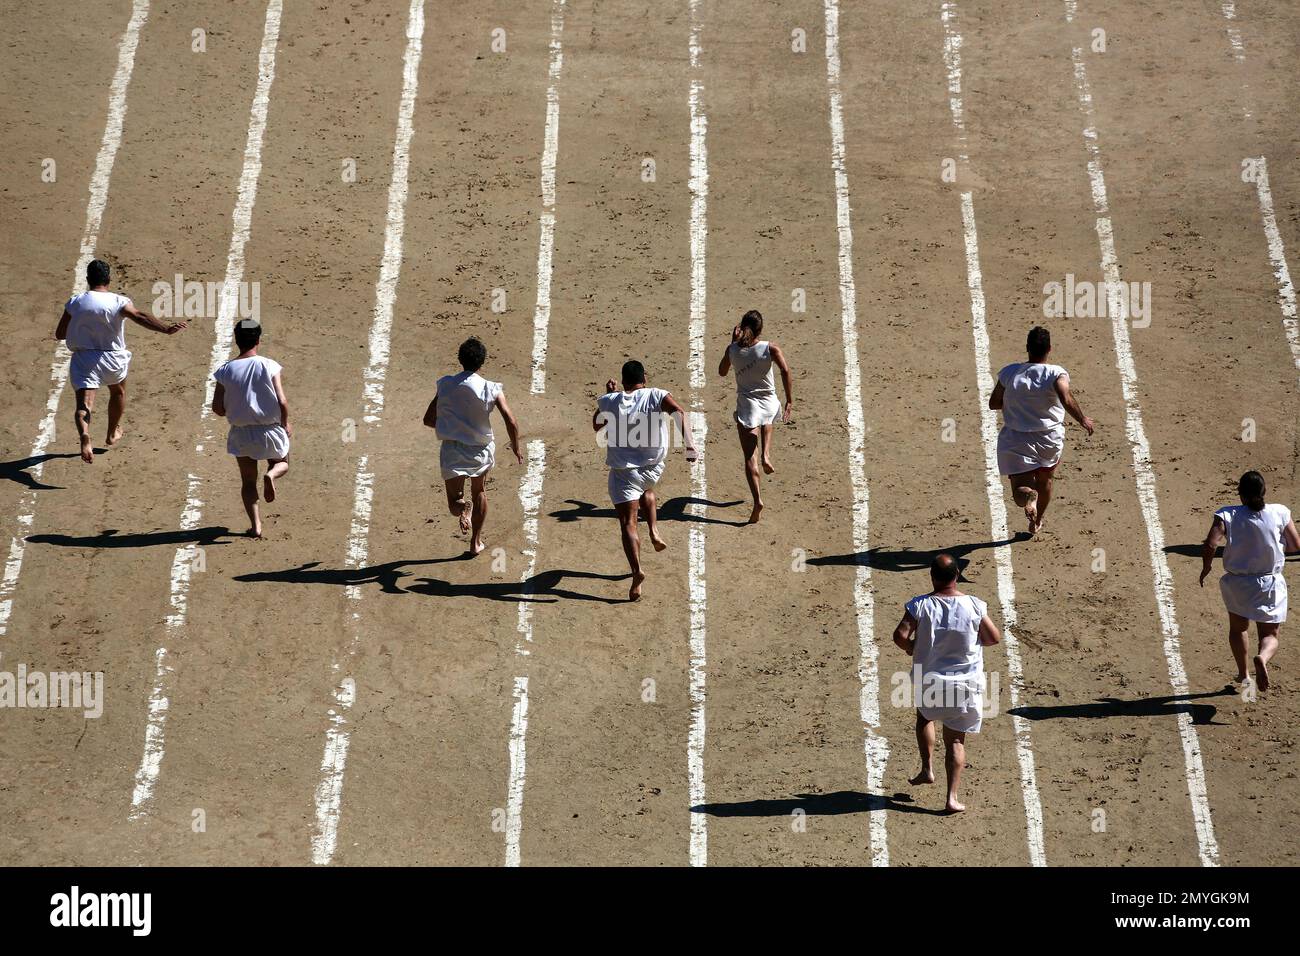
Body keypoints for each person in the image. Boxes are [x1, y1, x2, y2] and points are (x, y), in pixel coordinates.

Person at [892, 553, 1001, 813]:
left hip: (931, 681)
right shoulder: (974, 605)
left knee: (924, 718)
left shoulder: (920, 605)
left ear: (932, 577)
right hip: (966, 684)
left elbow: (900, 635)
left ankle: (927, 769)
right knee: (955, 741)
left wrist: (911, 649)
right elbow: (993, 638)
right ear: (956, 576)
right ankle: (951, 798)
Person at [55, 258, 187, 463]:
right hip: (113, 359)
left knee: (84, 405)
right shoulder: (118, 301)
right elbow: (140, 316)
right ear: (108, 279)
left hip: (85, 359)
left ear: (88, 279)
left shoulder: (75, 302)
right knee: (118, 391)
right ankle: (111, 432)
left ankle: (84, 435)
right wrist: (166, 329)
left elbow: (60, 333)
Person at [593, 360, 696, 601]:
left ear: (623, 381)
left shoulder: (611, 400)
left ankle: (637, 572)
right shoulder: (656, 395)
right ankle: (653, 528)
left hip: (624, 474)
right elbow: (679, 413)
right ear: (644, 379)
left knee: (628, 523)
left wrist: (610, 397)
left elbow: (597, 426)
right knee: (647, 491)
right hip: (653, 469)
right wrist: (690, 446)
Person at [1200, 470, 1300, 692]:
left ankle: (1244, 674)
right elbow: (1295, 546)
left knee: (1238, 629)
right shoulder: (1280, 512)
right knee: (1270, 635)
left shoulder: (1227, 514)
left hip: (1238, 584)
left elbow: (1210, 544)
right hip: (1270, 583)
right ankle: (1262, 658)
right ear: (1264, 492)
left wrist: (1206, 567)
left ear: (1240, 495)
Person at [423, 337, 522, 556]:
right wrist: (515, 446)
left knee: (453, 503)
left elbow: (428, 419)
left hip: (452, 450)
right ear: (482, 362)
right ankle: (475, 542)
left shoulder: (445, 384)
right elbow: (511, 421)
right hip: (480, 450)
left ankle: (463, 509)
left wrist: (451, 426)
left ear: (460, 360)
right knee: (479, 491)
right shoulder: (491, 388)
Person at [990, 326, 1094, 534]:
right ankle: (1037, 521)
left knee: (1020, 489)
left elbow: (994, 403)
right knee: (1046, 479)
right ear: (1049, 349)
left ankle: (1029, 495)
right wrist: (1082, 419)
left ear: (1027, 348)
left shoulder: (1010, 372)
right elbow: (1065, 398)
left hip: (1016, 440)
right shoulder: (1056, 373)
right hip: (1048, 439)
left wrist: (1017, 405)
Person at [212, 319, 291, 539]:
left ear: (236, 340)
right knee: (282, 462)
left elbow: (217, 408)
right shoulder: (269, 365)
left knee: (247, 481)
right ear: (258, 339)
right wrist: (285, 423)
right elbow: (282, 401)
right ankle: (272, 475)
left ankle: (256, 526)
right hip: (270, 430)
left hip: (241, 433)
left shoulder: (225, 370)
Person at [717, 309, 792, 524]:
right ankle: (767, 454)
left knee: (749, 457)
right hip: (769, 403)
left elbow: (722, 372)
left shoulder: (732, 349)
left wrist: (732, 345)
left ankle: (758, 500)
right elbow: (785, 371)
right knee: (767, 419)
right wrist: (789, 400)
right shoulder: (770, 348)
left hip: (748, 406)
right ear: (760, 329)